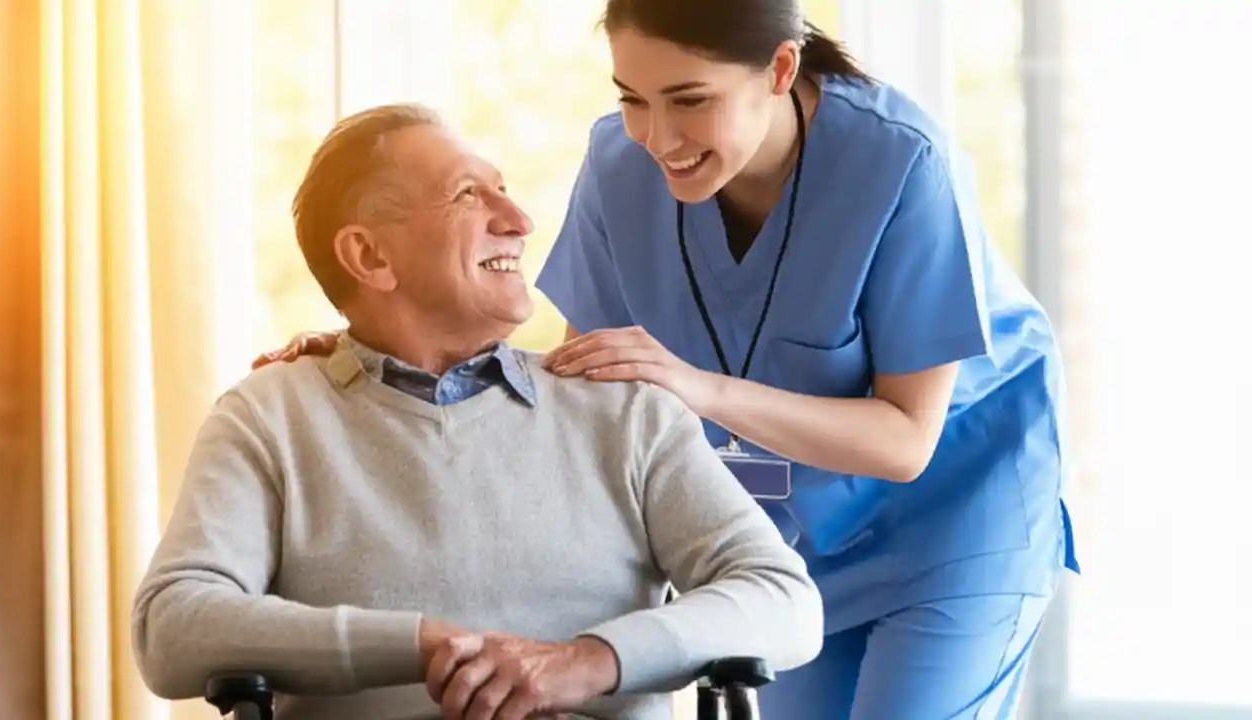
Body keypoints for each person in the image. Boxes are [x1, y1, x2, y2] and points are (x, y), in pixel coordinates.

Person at [258, 1, 1082, 718]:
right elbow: (595, 382)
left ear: (778, 68)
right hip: (788, 543)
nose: (659, 137)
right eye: (632, 99)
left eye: (689, 100)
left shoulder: (901, 162)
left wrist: (698, 387)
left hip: (955, 516)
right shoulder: (621, 165)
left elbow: (906, 440)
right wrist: (378, 347)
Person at [133, 103, 824, 720]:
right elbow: (172, 628)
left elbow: (784, 602)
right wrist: (426, 644)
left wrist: (581, 663)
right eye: (470, 194)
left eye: (506, 190)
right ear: (370, 255)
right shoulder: (270, 416)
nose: (519, 222)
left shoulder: (624, 410)